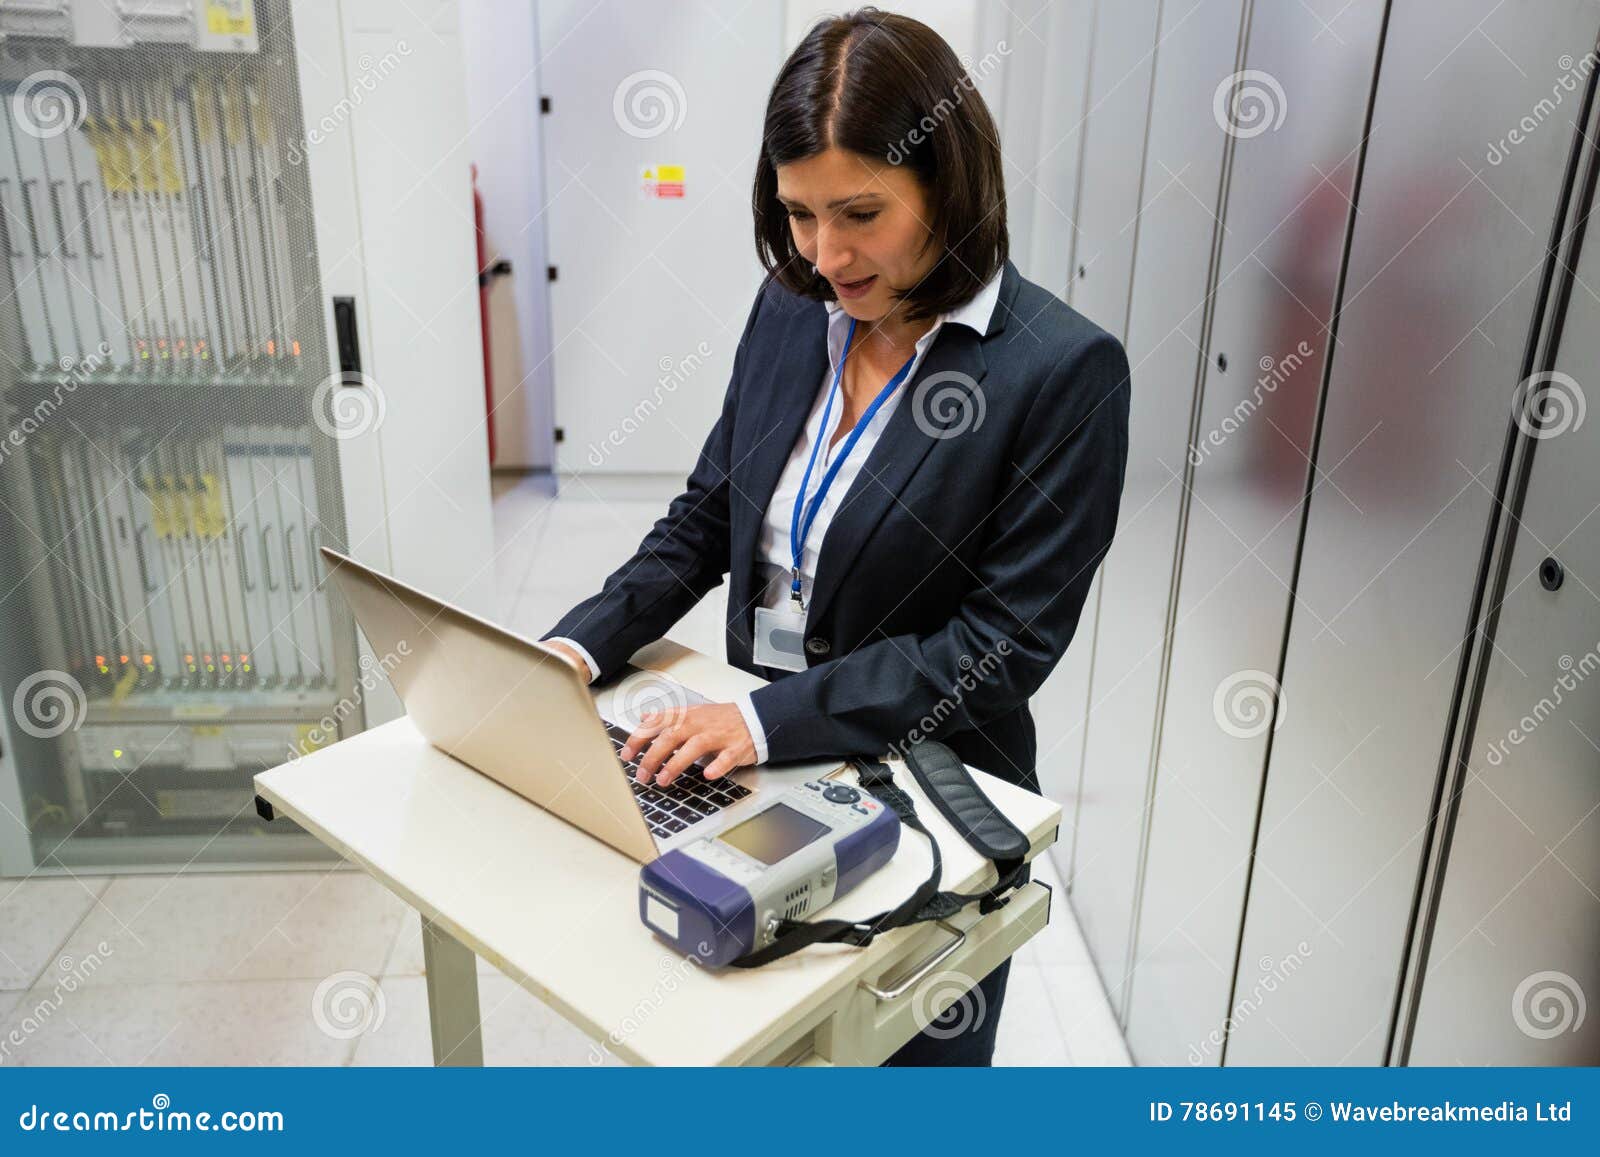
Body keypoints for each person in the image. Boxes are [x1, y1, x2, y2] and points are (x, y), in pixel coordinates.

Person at [542, 7, 1130, 1065]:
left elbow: (1000, 646)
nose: (825, 254)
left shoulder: (1060, 370)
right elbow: (706, 517)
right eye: (799, 214)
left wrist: (766, 719)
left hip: (930, 777)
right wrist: (573, 649)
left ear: (949, 185)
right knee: (755, 1052)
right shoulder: (790, 309)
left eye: (860, 212)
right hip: (758, 760)